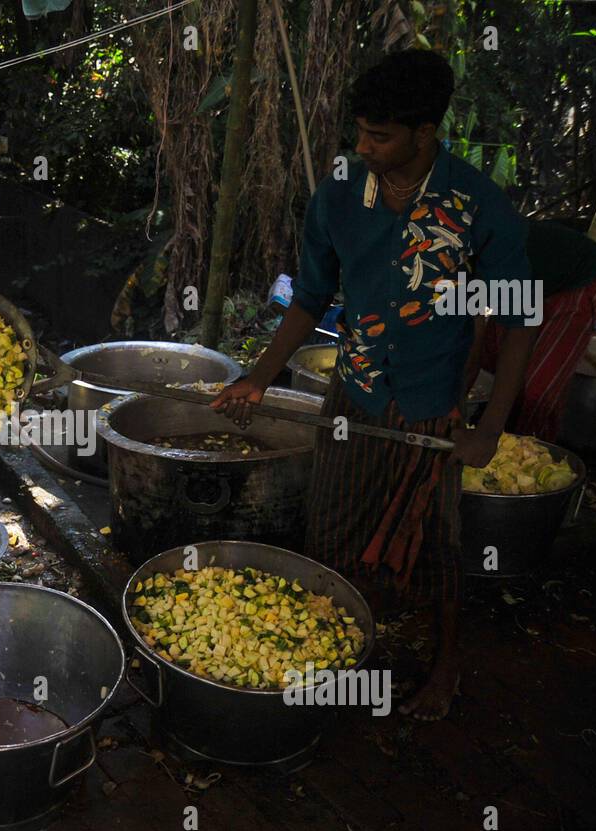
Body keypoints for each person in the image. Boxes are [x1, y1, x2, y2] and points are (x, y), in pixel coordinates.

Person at [212, 50, 539, 720]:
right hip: (353, 395)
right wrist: (258, 379)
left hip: (431, 408)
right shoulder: (338, 199)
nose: (363, 147)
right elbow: (308, 299)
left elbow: (519, 319)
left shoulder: (480, 207)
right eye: (359, 133)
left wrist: (488, 427)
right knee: (329, 527)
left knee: (436, 548)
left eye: (380, 136)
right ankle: (321, 651)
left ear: (426, 133)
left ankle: (445, 667)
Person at [464, 219, 596, 440]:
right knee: (491, 360)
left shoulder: (497, 248)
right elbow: (469, 338)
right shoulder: (445, 263)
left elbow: (520, 334)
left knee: (535, 390)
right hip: (527, 280)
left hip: (574, 281)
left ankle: (527, 449)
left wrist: (487, 432)